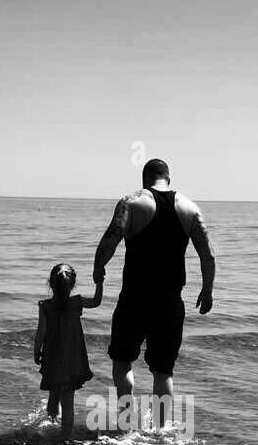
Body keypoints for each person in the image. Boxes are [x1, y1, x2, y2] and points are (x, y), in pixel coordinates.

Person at [92, 158, 215, 428]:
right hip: (170, 301)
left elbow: (110, 239)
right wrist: (207, 290)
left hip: (134, 297)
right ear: (168, 178)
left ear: (145, 178)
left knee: (123, 362)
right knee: (163, 371)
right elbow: (207, 254)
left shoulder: (132, 202)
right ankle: (160, 429)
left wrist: (98, 267)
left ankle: (126, 423)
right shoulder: (190, 208)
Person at [34, 263, 103, 441]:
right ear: (72, 285)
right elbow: (96, 302)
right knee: (68, 401)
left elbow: (41, 332)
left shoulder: (45, 306)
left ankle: (51, 423)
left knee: (53, 393)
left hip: (52, 359)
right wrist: (100, 283)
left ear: (50, 284)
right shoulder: (77, 302)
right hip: (73, 360)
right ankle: (64, 436)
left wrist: (36, 351)